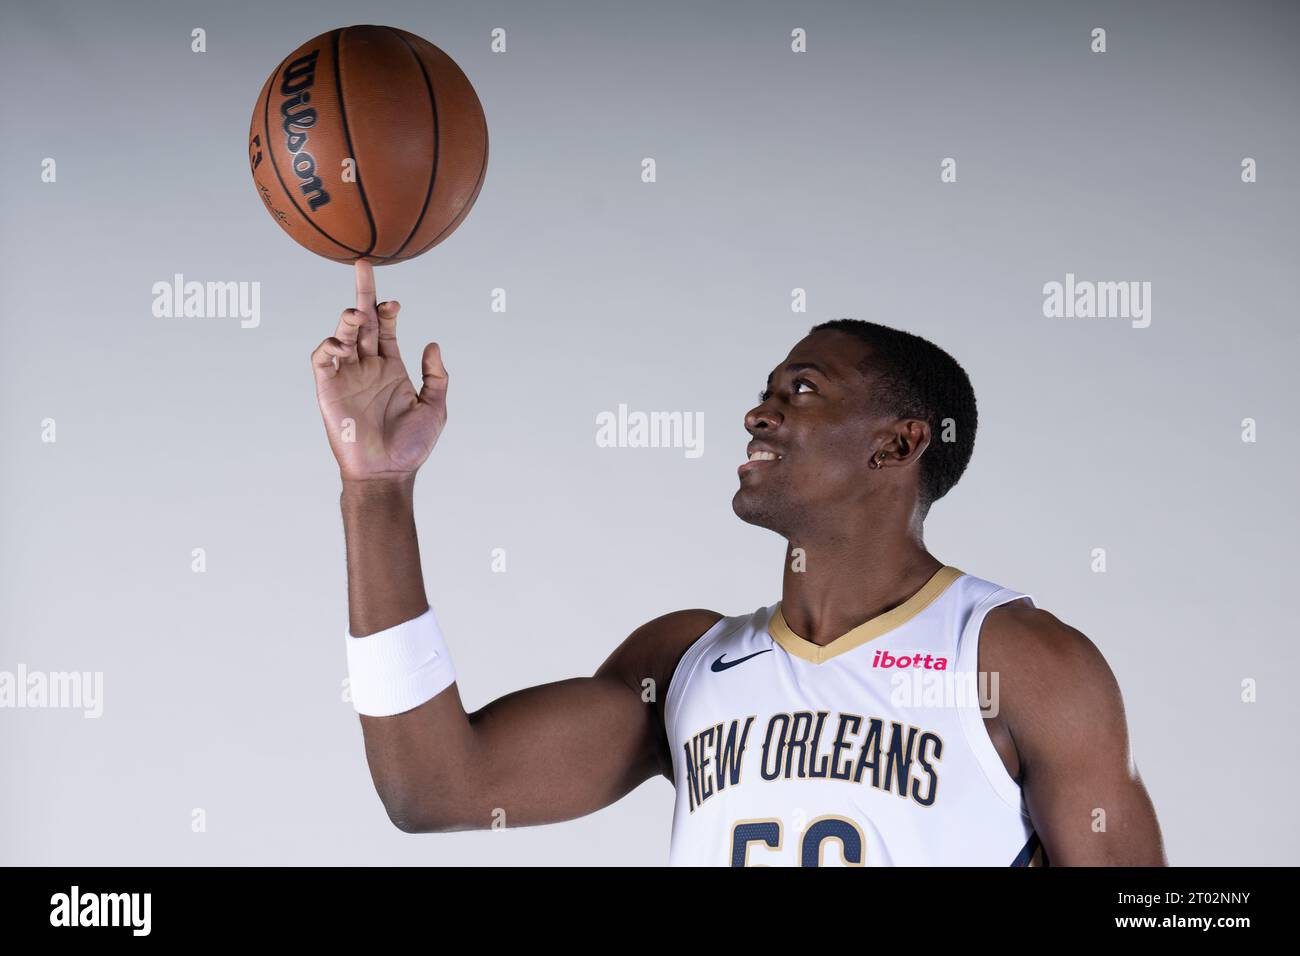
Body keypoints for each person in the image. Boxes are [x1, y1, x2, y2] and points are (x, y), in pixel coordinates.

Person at [310, 262, 1166, 866]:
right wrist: (376, 490)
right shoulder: (684, 662)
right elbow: (434, 790)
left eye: (801, 389)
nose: (758, 413)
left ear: (899, 443)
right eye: (765, 391)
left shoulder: (1018, 661)